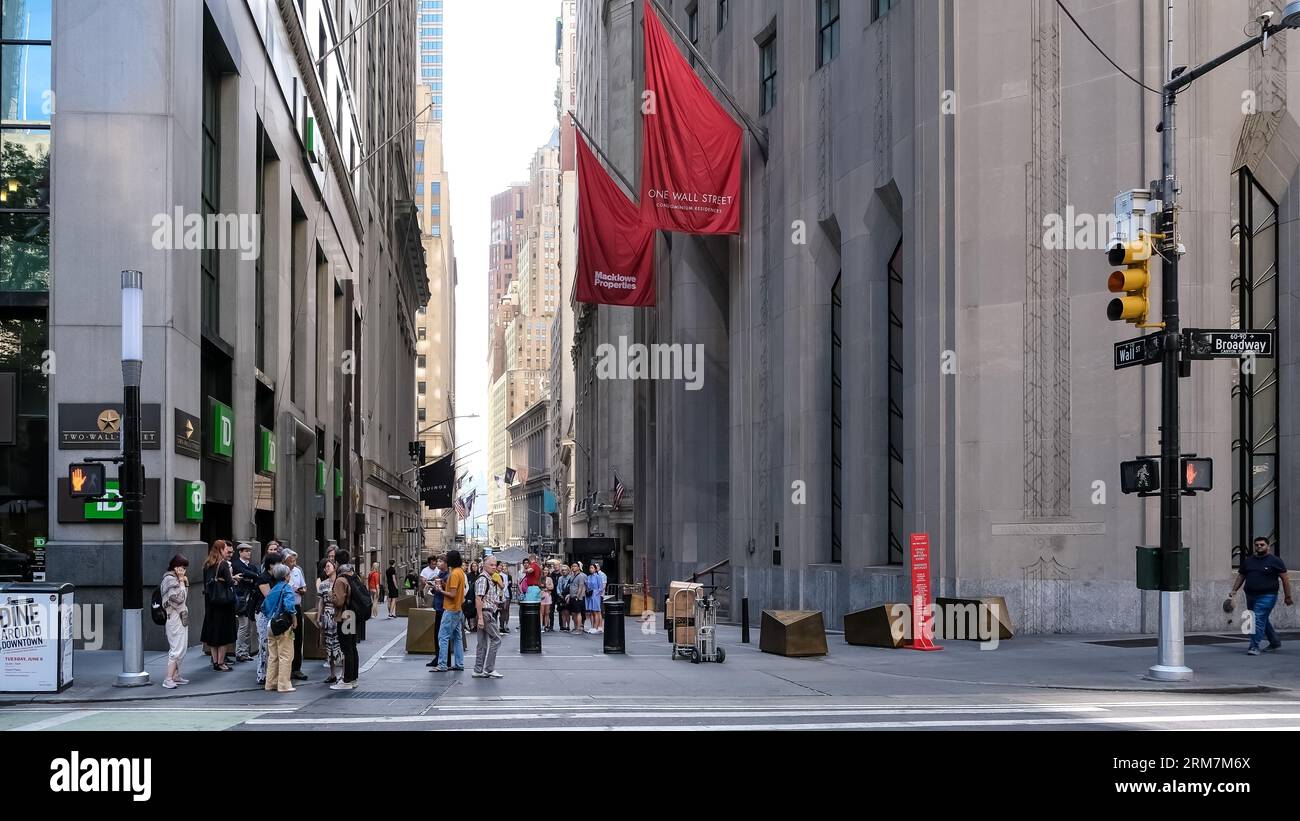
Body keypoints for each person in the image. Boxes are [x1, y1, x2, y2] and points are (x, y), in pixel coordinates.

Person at [1230, 536, 1293, 655]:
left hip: (1267, 596)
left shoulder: (1275, 561)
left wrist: (1288, 596)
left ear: (1268, 546)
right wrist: (1234, 590)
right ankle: (1274, 642)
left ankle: (1254, 646)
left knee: (1257, 619)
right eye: (1257, 545)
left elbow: (1285, 579)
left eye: (1262, 544)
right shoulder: (1249, 561)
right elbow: (1241, 576)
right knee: (1261, 619)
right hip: (1250, 595)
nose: (1259, 546)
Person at [201, 540, 237, 671]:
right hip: (223, 604)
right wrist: (234, 579)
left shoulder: (207, 564)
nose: (226, 550)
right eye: (225, 548)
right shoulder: (223, 564)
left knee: (213, 633)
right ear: (221, 549)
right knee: (223, 633)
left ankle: (215, 661)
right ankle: (221, 662)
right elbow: (229, 582)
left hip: (210, 603)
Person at [261, 563, 298, 693]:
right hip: (282, 625)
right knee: (286, 655)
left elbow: (263, 607)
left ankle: (270, 683)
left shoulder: (273, 589)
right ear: (286, 576)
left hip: (270, 624)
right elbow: (289, 606)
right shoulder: (287, 588)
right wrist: (294, 619)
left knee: (273, 656)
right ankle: (284, 684)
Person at [253, 547, 284, 686]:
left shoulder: (277, 577)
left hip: (274, 613)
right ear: (271, 565)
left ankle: (271, 673)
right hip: (263, 613)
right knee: (264, 643)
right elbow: (269, 597)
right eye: (278, 563)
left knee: (272, 644)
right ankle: (261, 674)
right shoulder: (263, 578)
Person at [330, 550, 361, 690]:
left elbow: (339, 601)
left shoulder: (341, 579)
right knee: (352, 647)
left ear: (336, 562)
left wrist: (331, 596)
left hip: (344, 616)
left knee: (346, 648)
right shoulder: (353, 575)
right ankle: (353, 678)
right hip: (353, 615)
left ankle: (347, 680)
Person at [432, 550, 466, 672]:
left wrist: (440, 590)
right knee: (457, 637)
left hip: (451, 609)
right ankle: (459, 663)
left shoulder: (454, 574)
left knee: (443, 636)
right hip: (458, 609)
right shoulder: (460, 572)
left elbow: (452, 594)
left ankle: (442, 664)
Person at [160, 554, 190, 689]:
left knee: (182, 648)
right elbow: (179, 599)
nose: (184, 570)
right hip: (174, 617)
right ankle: (168, 678)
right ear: (175, 567)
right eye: (182, 567)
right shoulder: (170, 580)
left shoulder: (176, 579)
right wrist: (182, 582)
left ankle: (176, 675)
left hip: (180, 617)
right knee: (176, 649)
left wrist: (182, 581)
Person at [472, 557, 505, 678]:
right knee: (496, 639)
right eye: (491, 565)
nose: (494, 567)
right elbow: (478, 599)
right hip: (485, 613)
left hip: (486, 611)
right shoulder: (483, 579)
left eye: (495, 565)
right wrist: (480, 617)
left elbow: (485, 597)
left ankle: (478, 669)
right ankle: (489, 669)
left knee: (482, 643)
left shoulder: (489, 579)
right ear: (484, 566)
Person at [317, 559, 344, 684]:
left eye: (328, 566)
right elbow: (321, 601)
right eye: (325, 567)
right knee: (329, 644)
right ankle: (332, 674)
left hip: (339, 614)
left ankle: (344, 673)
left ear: (335, 567)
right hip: (328, 615)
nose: (326, 569)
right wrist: (319, 617)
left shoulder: (340, 582)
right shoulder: (323, 584)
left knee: (341, 644)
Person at [231, 543, 259, 663]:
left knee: (248, 627)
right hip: (241, 598)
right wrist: (254, 576)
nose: (248, 553)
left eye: (249, 551)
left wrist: (252, 577)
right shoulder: (236, 564)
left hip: (250, 598)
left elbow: (252, 577)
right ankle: (240, 652)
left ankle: (245, 651)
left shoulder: (252, 566)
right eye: (246, 551)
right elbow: (246, 573)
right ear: (240, 552)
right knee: (243, 625)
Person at [284, 550, 309, 681]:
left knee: (298, 638)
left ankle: (296, 668)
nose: (293, 564)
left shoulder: (297, 571)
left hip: (297, 606)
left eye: (294, 561)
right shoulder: (282, 572)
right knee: (285, 639)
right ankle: (285, 668)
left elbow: (304, 587)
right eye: (291, 561)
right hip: (285, 609)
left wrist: (301, 590)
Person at [568, 562, 587, 634]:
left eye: (575, 566)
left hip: (578, 597)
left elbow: (581, 587)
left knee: (578, 612)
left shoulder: (581, 576)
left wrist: (577, 596)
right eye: (572, 566)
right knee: (573, 613)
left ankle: (579, 629)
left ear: (579, 568)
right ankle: (576, 627)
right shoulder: (572, 576)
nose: (573, 567)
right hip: (572, 596)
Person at [464, 561, 480, 632]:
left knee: (477, 610)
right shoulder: (468, 575)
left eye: (475, 566)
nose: (474, 567)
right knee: (471, 611)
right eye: (473, 566)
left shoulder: (480, 575)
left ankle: (477, 625)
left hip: (478, 595)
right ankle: (472, 626)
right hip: (470, 595)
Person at [556, 565, 572, 631]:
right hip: (561, 596)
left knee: (567, 612)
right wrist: (559, 594)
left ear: (568, 571)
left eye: (565, 570)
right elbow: (558, 587)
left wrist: (569, 595)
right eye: (563, 570)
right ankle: (563, 626)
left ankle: (568, 626)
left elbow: (572, 587)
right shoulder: (560, 578)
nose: (564, 571)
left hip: (568, 596)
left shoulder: (571, 578)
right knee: (562, 612)